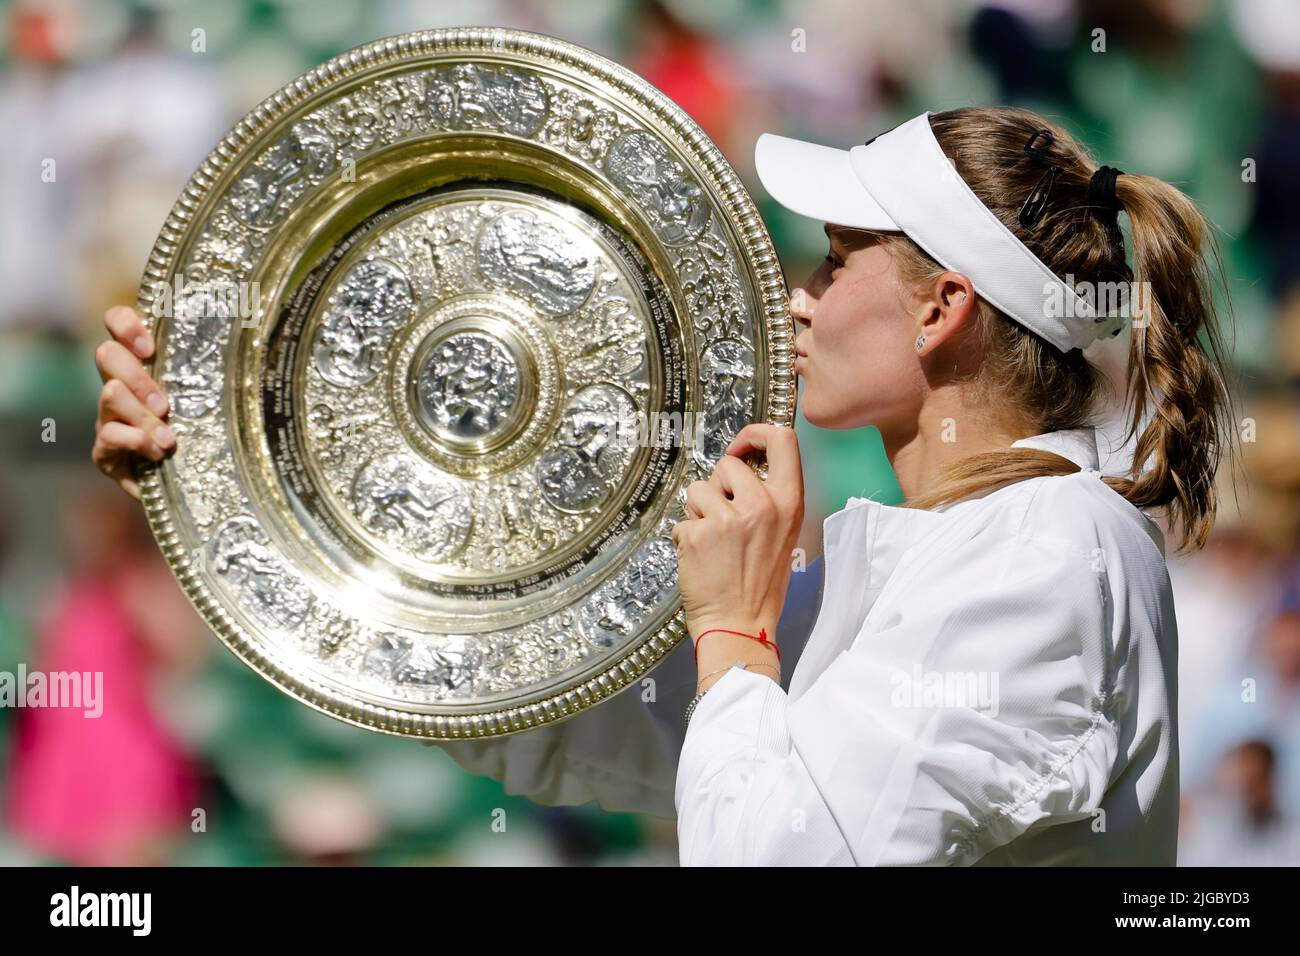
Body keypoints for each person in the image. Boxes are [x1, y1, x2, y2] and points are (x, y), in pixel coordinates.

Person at [93, 106, 1235, 866]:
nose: (801, 297)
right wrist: (227, 472)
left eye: (837, 264)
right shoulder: (961, 545)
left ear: (940, 308)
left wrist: (734, 630)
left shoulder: (1043, 548)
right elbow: (562, 714)